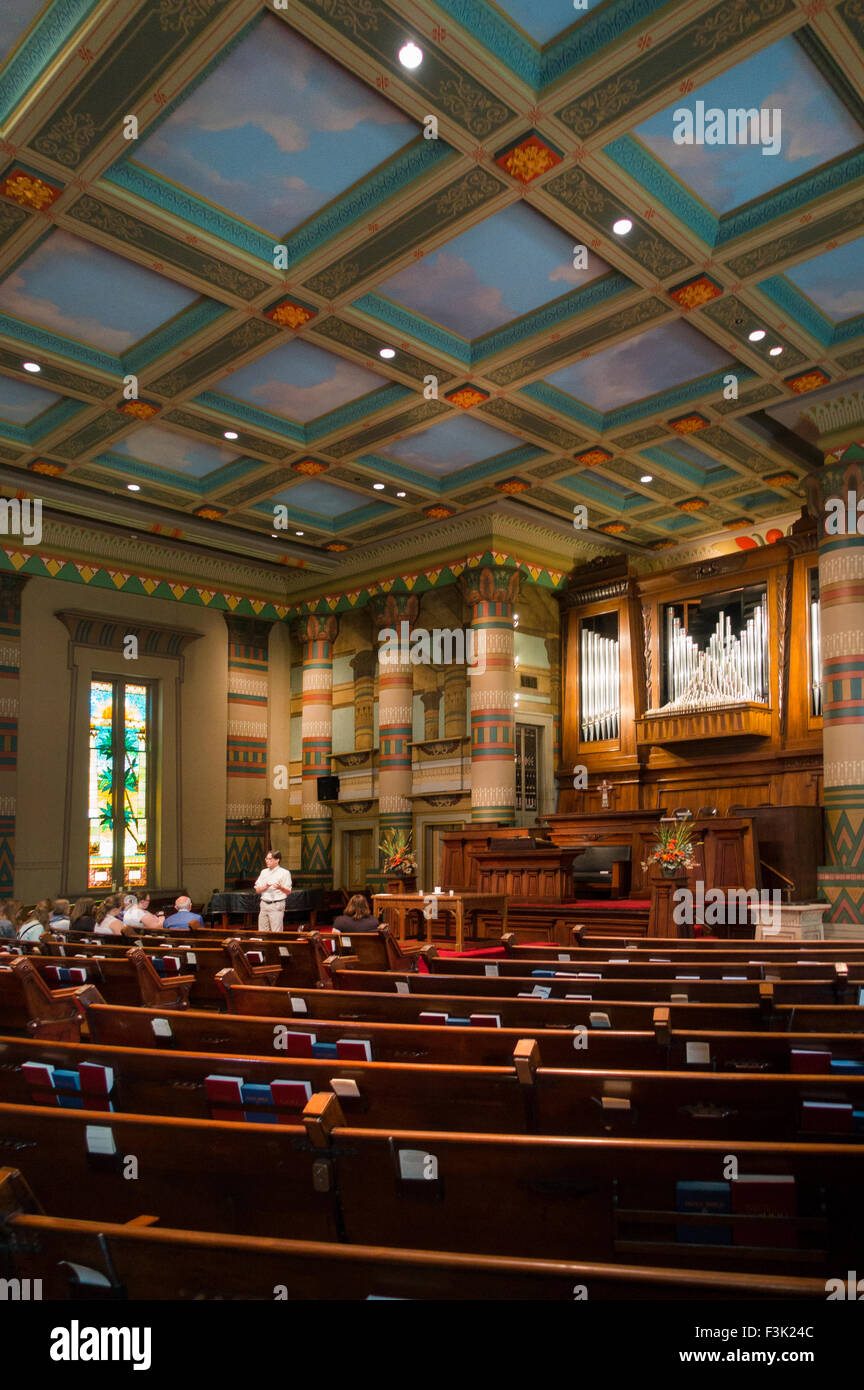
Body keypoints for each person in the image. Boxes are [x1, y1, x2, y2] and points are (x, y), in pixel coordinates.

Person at [254, 849, 293, 932]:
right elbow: (257, 890)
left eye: (270, 859)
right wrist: (265, 887)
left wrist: (281, 888)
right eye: (266, 859)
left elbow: (288, 891)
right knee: (262, 932)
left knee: (276, 932)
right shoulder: (263, 872)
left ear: (277, 860)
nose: (267, 861)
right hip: (264, 904)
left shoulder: (284, 873)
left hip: (276, 905)